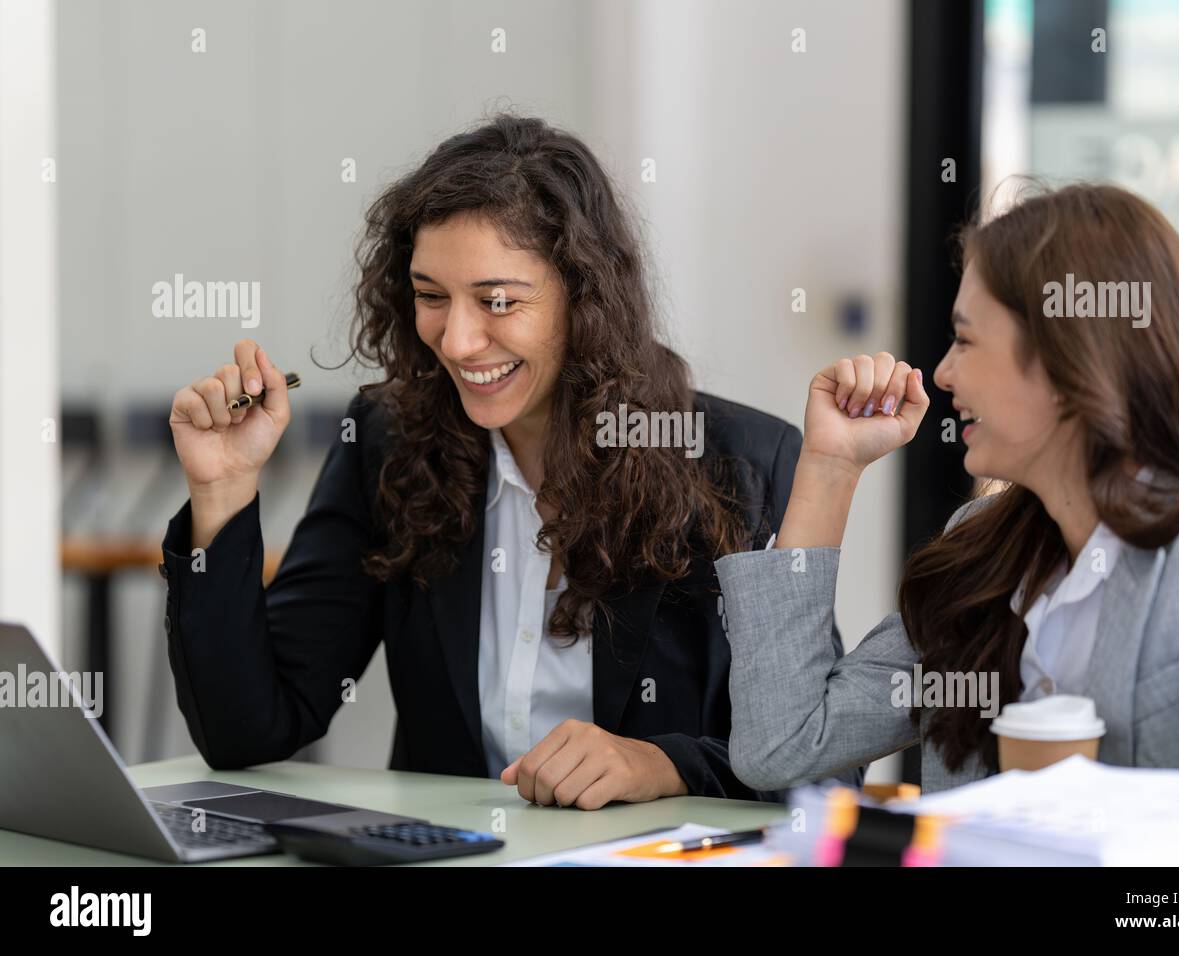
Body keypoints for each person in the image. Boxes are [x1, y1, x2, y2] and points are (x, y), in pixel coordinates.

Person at [161, 114, 846, 809]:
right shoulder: (388, 444)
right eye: (431, 297)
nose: (457, 341)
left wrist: (663, 765)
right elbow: (248, 730)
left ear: (585, 300)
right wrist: (221, 492)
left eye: (498, 301)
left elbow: (822, 768)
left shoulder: (740, 464)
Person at [718, 182, 1179, 793]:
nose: (941, 373)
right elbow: (782, 747)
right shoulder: (985, 554)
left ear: (1067, 361)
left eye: (966, 340)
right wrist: (830, 471)